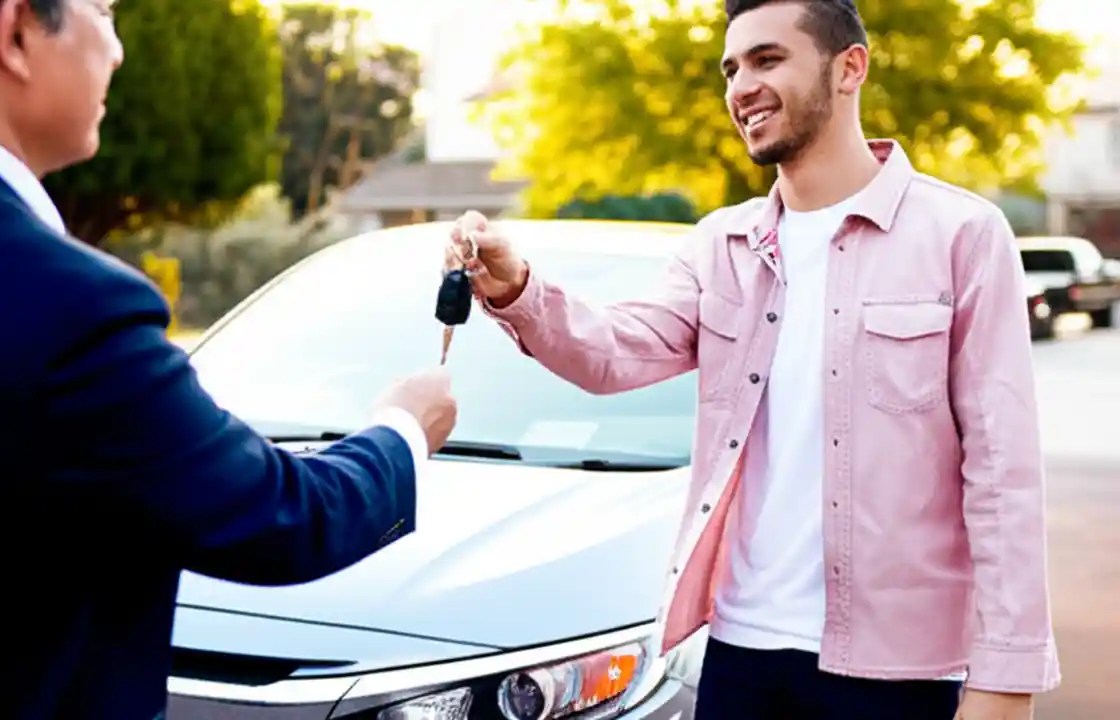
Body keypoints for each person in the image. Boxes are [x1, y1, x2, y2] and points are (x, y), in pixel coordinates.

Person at [0, 0, 458, 717]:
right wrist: (403, 432)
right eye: (102, 10)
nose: (119, 50)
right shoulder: (66, 308)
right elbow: (277, 519)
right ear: (16, 34)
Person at [447, 0, 1057, 718]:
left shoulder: (962, 235)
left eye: (768, 60)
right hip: (740, 659)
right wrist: (518, 287)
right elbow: (614, 353)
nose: (741, 86)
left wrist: (1004, 679)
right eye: (732, 69)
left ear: (848, 68)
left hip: (901, 674)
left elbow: (1003, 473)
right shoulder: (722, 245)